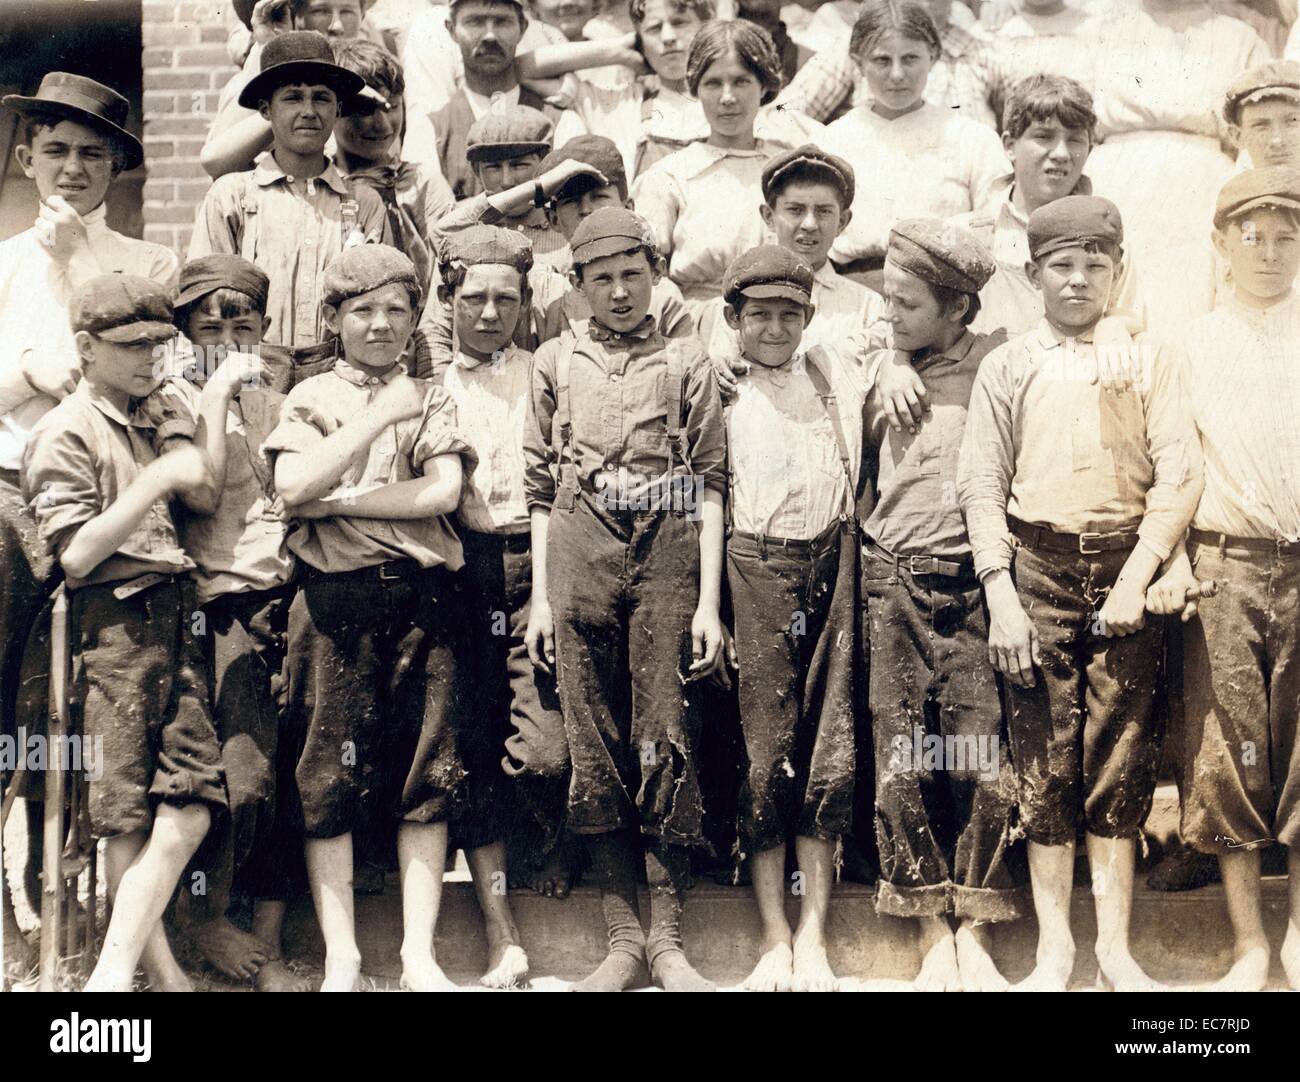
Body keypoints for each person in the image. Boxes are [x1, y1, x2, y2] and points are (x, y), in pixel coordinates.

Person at [957, 195, 1204, 991]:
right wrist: (1000, 593)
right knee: (1043, 761)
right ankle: (1055, 946)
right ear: (1033, 274)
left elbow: (1180, 470)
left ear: (1117, 270)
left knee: (1119, 761)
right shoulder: (1007, 363)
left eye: (1095, 264)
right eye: (1062, 265)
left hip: (1126, 564)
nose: (1078, 279)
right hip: (1037, 569)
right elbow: (982, 482)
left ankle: (1113, 950)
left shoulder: (1148, 357)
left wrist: (1139, 576)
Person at [0, 72, 179, 973]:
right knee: (11, 709)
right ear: (25, 155)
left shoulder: (147, 266)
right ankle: (12, 914)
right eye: (57, 149)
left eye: (93, 154)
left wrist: (78, 262)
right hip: (8, 494)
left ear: (117, 168)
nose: (73, 169)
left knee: (103, 718)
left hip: (117, 505)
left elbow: (158, 380)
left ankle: (106, 925)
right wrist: (35, 372)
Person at [522, 207, 727, 991]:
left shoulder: (688, 362)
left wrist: (708, 604)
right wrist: (542, 598)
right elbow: (539, 489)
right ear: (576, 287)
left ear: (654, 276)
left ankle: (668, 939)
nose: (618, 293)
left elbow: (711, 486)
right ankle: (622, 936)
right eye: (601, 279)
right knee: (591, 729)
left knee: (664, 729)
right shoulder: (551, 362)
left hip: (669, 539)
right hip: (579, 539)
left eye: (631, 276)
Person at [265, 245, 476, 991]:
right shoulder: (311, 396)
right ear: (332, 319)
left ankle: (418, 953)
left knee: (428, 768)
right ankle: (344, 957)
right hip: (334, 602)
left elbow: (441, 493)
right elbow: (292, 483)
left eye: (396, 309)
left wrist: (343, 502)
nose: (381, 325)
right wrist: (377, 419)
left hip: (422, 600)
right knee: (329, 773)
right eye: (362, 311)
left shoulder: (432, 393)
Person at [23, 275, 227, 992]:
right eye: (133, 345)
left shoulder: (153, 412)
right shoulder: (64, 429)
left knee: (192, 801)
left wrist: (201, 416)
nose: (151, 358)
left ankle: (113, 969)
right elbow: (74, 555)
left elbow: (203, 486)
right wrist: (155, 480)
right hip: (113, 623)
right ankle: (156, 977)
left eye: (160, 344)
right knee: (124, 811)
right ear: (86, 348)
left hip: (174, 611)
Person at [1146, 167, 1300, 992]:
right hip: (1225, 564)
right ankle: (1249, 944)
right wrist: (1170, 557)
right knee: (1227, 754)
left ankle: (1299, 936)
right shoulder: (1192, 344)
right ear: (1220, 246)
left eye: (1286, 237)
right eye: (1253, 237)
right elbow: (1174, 465)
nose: (1270, 253)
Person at [140, 255, 311, 993]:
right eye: (208, 322)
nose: (227, 333)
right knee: (239, 775)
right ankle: (203, 916)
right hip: (219, 604)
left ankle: (266, 941)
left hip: (291, 599)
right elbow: (204, 499)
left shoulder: (283, 401)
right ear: (183, 331)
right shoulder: (172, 401)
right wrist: (215, 390)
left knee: (296, 776)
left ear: (265, 327)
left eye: (242, 320)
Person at [863, 219, 1024, 992]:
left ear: (958, 310)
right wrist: (892, 356)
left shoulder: (1000, 361)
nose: (888, 315)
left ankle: (979, 927)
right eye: (886, 300)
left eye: (907, 305)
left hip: (975, 585)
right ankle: (930, 926)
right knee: (902, 758)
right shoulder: (875, 362)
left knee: (980, 759)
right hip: (891, 578)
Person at [719, 246, 861, 993]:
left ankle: (816, 936)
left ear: (808, 317)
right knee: (764, 753)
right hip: (756, 567)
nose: (775, 328)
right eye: (759, 315)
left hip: (832, 566)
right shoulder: (719, 387)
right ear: (733, 321)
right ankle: (774, 933)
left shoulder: (834, 372)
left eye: (789, 314)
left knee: (827, 749)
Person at [438, 225, 578, 909]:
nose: (490, 314)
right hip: (460, 566)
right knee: (468, 727)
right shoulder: (430, 386)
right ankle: (486, 873)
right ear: (448, 301)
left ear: (526, 303)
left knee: (544, 744)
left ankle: (540, 842)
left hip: (538, 559)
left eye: (506, 299)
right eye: (473, 299)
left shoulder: (545, 373)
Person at [189, 31, 389, 390]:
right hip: (250, 374)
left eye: (322, 98)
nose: (309, 111)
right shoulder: (233, 196)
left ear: (338, 108)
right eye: (293, 98)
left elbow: (380, 303)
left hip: (337, 376)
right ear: (266, 109)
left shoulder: (362, 203)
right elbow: (203, 311)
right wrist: (212, 390)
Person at [1080, 0, 1271, 334]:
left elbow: (1258, 134)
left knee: (1191, 311)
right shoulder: (1099, 29)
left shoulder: (1241, 38)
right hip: (1114, 184)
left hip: (1204, 188)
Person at [631, 19, 822, 318]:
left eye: (741, 80)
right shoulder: (669, 176)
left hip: (782, 323)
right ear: (695, 88)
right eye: (713, 83)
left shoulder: (790, 168)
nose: (727, 97)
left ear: (763, 85)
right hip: (694, 325)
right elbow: (645, 274)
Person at [818, 1, 1004, 286]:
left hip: (944, 290)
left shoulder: (971, 139)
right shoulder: (832, 141)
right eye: (882, 60)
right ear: (858, 62)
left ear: (933, 56)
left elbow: (995, 226)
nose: (897, 74)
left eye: (910, 59)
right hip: (852, 290)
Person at [952, 73, 1145, 339]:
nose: (1061, 154)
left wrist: (1116, 325)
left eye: (1075, 140)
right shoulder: (965, 234)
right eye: (1044, 136)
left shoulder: (1109, 240)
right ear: (1009, 145)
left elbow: (1133, 317)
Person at [698, 144, 884, 366]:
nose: (809, 224)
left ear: (842, 221)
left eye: (824, 211)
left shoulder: (867, 306)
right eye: (795, 210)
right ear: (769, 216)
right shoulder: (738, 300)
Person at [332, 39, 457, 314]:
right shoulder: (323, 185)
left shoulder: (421, 184)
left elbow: (446, 276)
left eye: (392, 106)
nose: (382, 124)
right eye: (365, 109)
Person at [403, 0, 577, 195]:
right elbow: (426, 215)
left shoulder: (561, 122)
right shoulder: (430, 130)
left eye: (502, 22)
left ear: (522, 28)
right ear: (451, 30)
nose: (490, 35)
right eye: (475, 22)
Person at [205, 0, 391, 178]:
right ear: (295, 16)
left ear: (363, 15)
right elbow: (217, 162)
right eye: (320, 11)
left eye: (347, 11)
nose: (337, 26)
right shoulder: (257, 80)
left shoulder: (378, 74)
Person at [776, 0, 1009, 129]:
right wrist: (827, 143)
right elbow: (780, 117)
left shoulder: (984, 55)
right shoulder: (856, 46)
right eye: (883, 61)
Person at [1224, 60, 1300, 171]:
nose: (1277, 140)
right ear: (1237, 136)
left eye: (1293, 121)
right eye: (1260, 126)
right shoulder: (1229, 187)